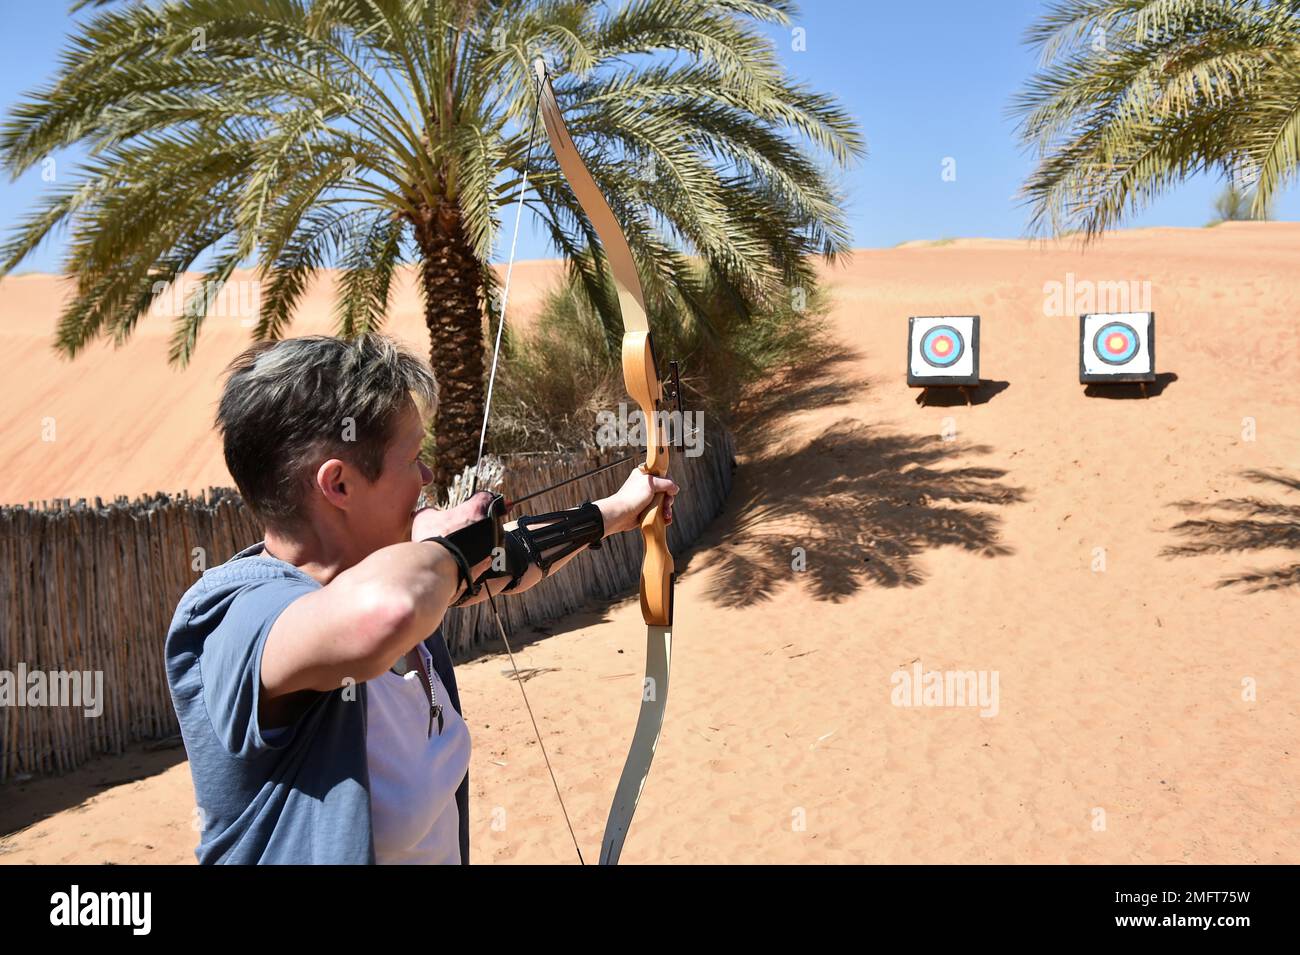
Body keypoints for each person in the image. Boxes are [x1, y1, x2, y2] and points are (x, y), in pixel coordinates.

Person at [164, 333, 677, 864]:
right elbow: (390, 609)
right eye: (412, 458)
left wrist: (621, 507)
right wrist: (448, 549)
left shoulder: (393, 568)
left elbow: (510, 560)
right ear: (338, 485)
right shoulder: (234, 614)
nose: (428, 476)